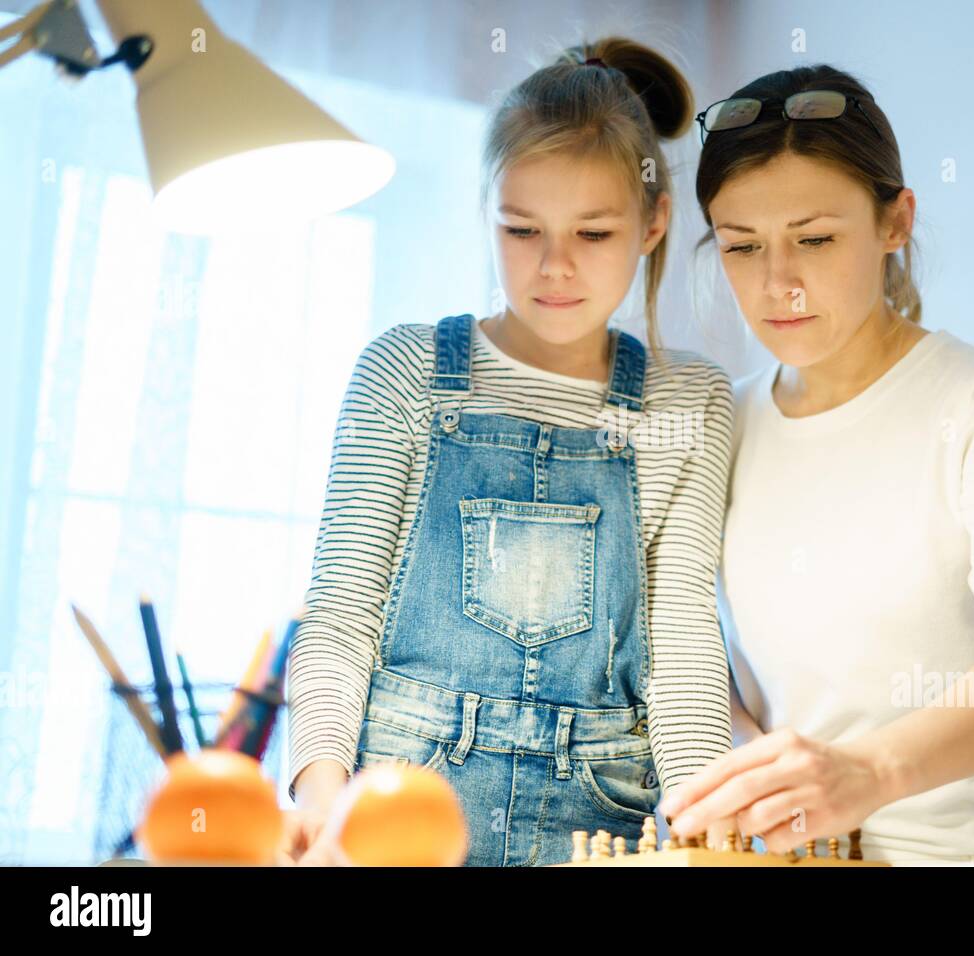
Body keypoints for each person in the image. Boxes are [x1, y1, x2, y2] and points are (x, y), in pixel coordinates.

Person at [280, 37, 735, 866]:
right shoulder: (405, 369)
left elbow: (682, 644)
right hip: (397, 804)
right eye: (521, 228)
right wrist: (320, 798)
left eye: (594, 234)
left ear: (653, 222)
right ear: (485, 208)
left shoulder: (688, 400)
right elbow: (341, 616)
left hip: (604, 815)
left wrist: (705, 829)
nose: (555, 267)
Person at [659, 64, 974, 863]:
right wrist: (755, 776)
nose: (778, 283)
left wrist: (865, 773)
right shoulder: (727, 420)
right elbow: (698, 662)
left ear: (896, 221)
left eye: (815, 239)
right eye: (742, 247)